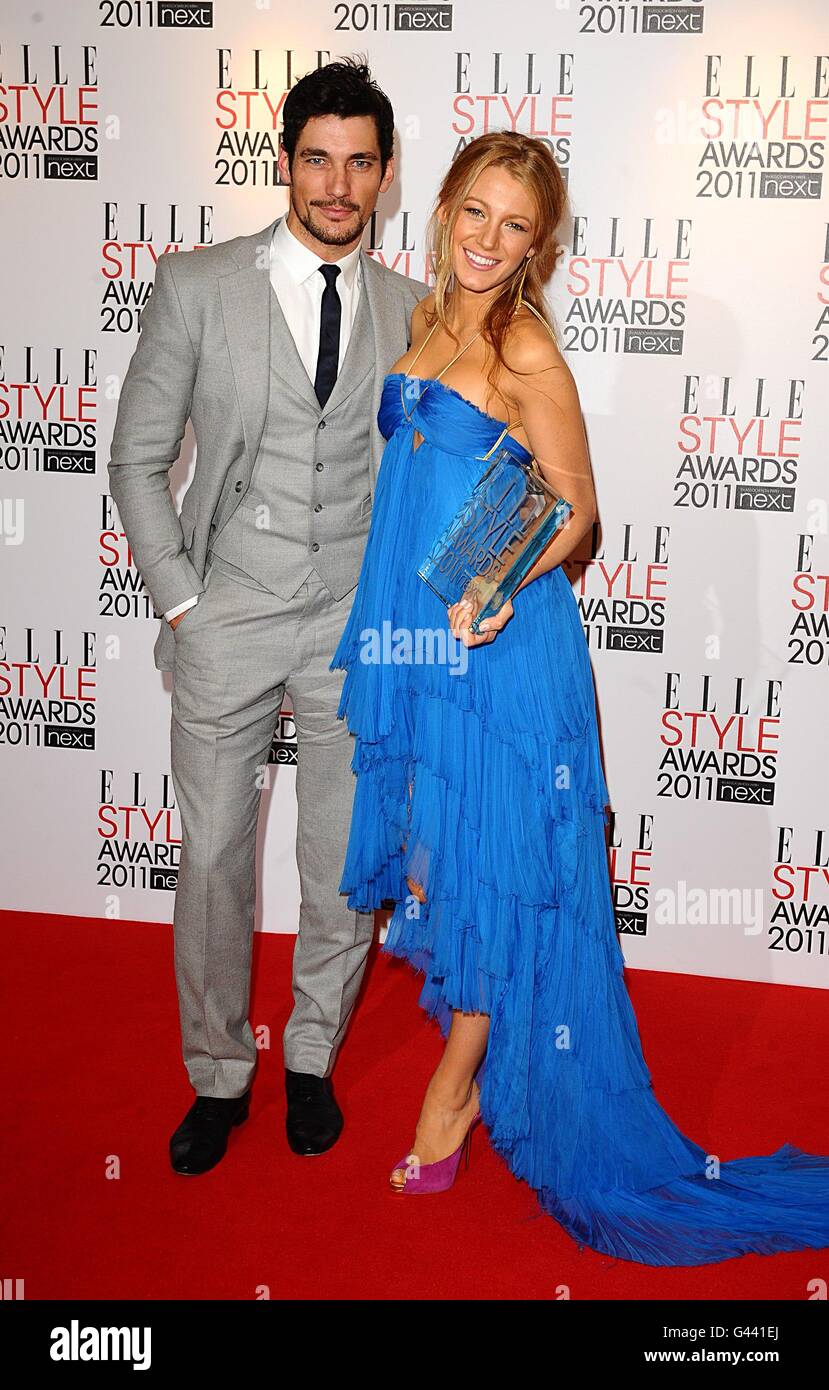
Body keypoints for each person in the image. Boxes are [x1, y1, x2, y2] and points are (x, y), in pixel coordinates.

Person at [329, 129, 829, 1265]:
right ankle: (471, 1067)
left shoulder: (527, 352)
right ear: (445, 205)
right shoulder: (422, 322)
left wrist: (499, 587)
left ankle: (452, 1091)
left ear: (538, 246)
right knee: (437, 866)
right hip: (421, 640)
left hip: (503, 650)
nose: (487, 241)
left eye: (515, 227)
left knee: (495, 877)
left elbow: (575, 512)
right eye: (475, 212)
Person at [108, 59, 430, 1175]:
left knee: (342, 856)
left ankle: (308, 1054)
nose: (336, 183)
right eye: (315, 157)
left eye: (358, 161)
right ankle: (216, 1070)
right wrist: (184, 600)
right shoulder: (199, 285)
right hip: (229, 608)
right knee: (212, 858)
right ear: (283, 160)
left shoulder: (413, 310)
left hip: (356, 618)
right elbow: (138, 458)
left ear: (384, 176)